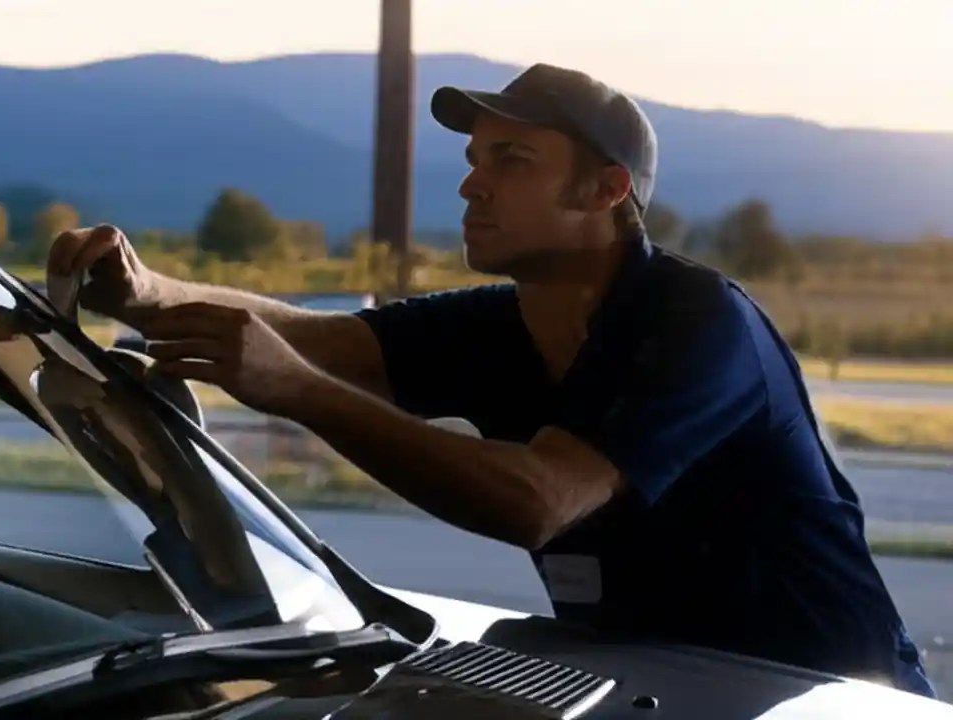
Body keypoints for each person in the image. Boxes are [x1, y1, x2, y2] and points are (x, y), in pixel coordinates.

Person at [48, 63, 935, 698]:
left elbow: (539, 500)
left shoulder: (695, 321)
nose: (472, 185)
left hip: (819, 693)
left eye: (511, 161)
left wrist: (298, 393)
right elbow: (324, 342)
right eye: (475, 160)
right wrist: (147, 292)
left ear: (606, 189)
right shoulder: (503, 320)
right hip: (643, 683)